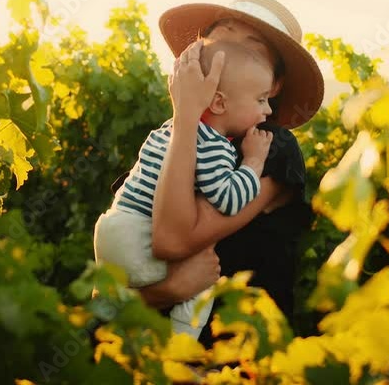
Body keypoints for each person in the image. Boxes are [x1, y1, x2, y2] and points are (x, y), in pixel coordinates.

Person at [127, 0, 325, 342]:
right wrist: (165, 291)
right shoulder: (167, 136)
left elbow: (172, 240)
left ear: (274, 84)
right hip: (149, 350)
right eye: (222, 38)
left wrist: (186, 116)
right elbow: (113, 283)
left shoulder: (270, 146)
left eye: (251, 49)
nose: (229, 53)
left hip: (235, 355)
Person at [94, 41, 277, 338]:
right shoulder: (214, 144)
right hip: (139, 237)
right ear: (219, 103)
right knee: (201, 281)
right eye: (261, 100)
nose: (268, 109)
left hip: (112, 229)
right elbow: (228, 199)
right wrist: (253, 163)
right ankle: (181, 350)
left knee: (120, 312)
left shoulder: (171, 127)